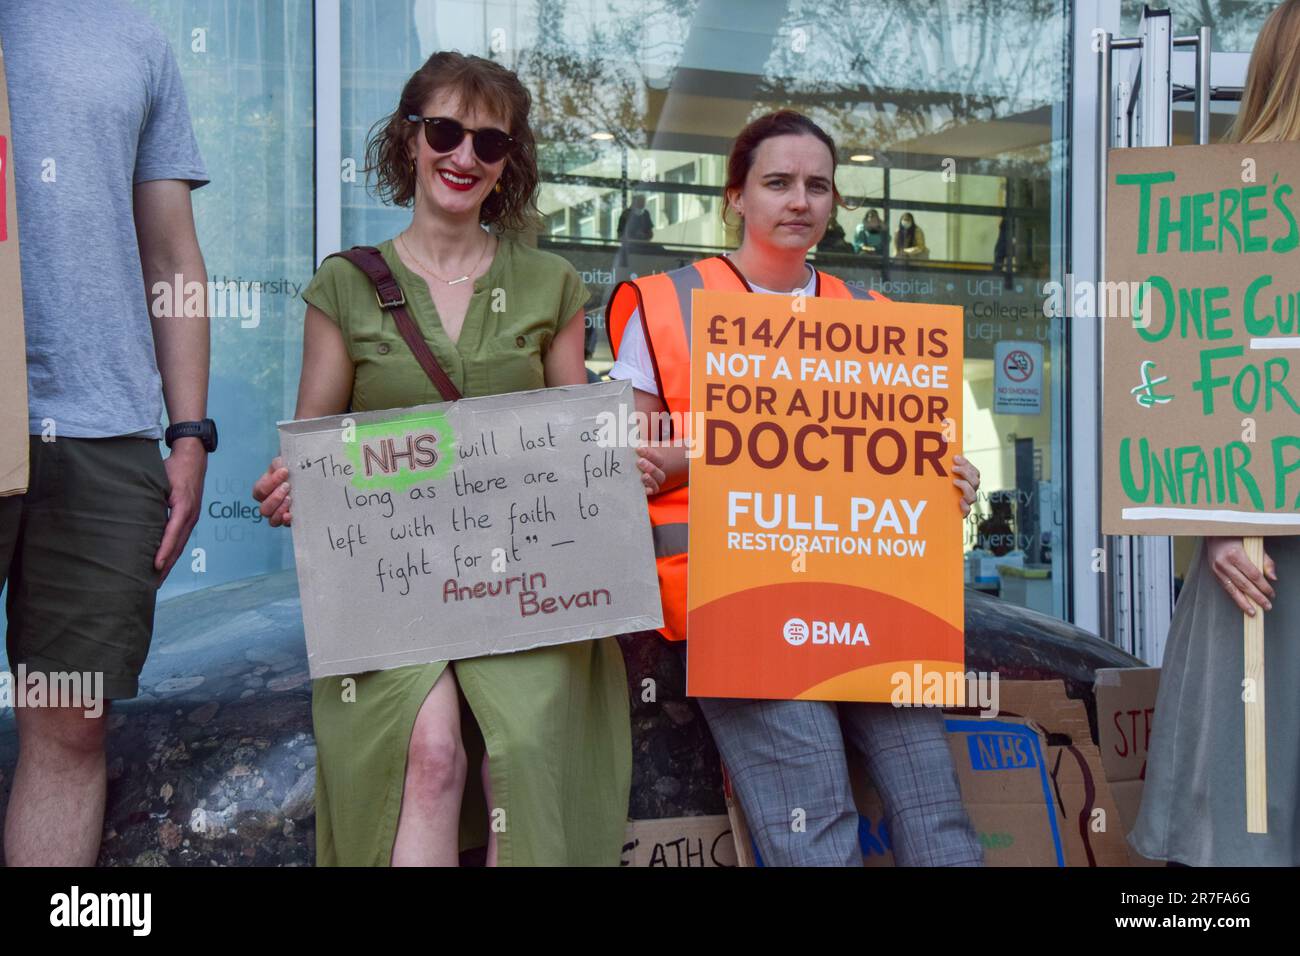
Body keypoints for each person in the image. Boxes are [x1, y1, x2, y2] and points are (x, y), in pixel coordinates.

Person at [252, 52, 630, 866]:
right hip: (393, 584)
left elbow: (576, 435)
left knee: (524, 762)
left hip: (525, 578)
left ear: (508, 164)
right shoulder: (346, 286)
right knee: (428, 758)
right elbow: (313, 436)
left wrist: (622, 461)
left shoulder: (553, 284)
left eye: (489, 143)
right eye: (446, 131)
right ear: (409, 137)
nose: (464, 156)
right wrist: (295, 485)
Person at [606, 109, 984, 866]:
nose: (799, 200)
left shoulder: (874, 318)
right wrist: (705, 447)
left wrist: (947, 476)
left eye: (817, 185)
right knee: (818, 837)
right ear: (736, 196)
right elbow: (625, 458)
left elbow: (889, 457)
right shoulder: (665, 302)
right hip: (741, 606)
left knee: (939, 824)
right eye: (777, 182)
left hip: (871, 602)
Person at [0, 1, 212, 866]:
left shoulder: (134, 38)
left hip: (101, 436)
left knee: (69, 726)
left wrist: (190, 431)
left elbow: (172, 258)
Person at [1129, 0, 1300, 867]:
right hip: (1264, 569)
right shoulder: (1221, 204)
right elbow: (1170, 374)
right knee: (1244, 831)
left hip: (1256, 562)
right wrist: (1218, 516)